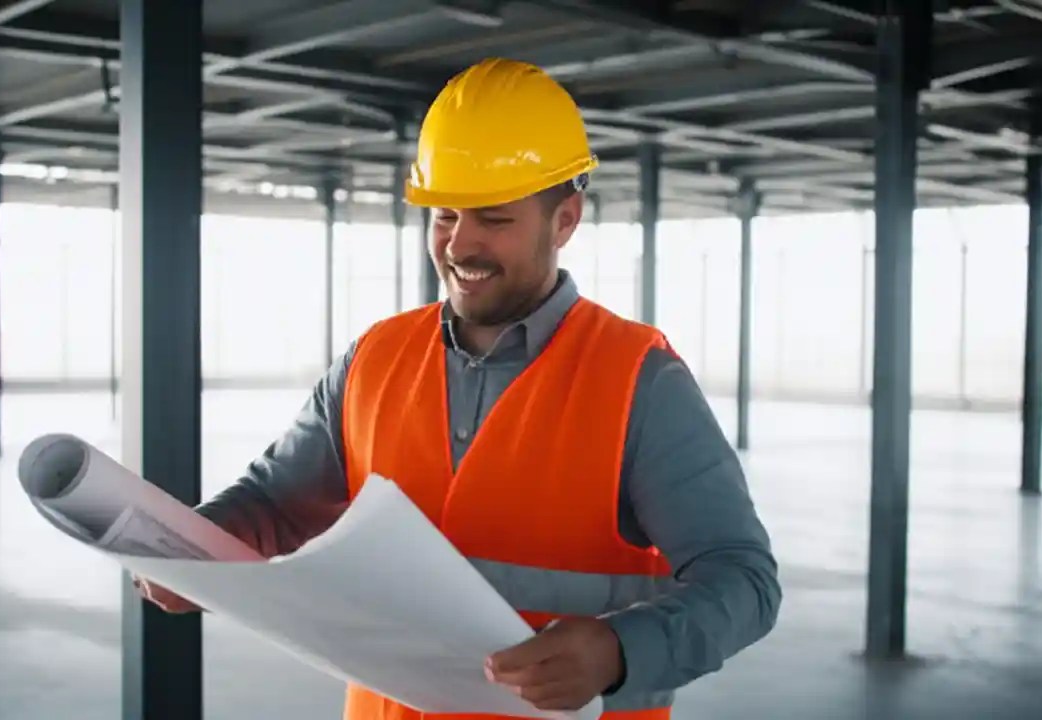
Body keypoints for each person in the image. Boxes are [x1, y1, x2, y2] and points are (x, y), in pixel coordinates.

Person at [136, 57, 780, 719]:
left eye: (493, 219)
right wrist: (196, 550)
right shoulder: (373, 358)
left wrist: (620, 651)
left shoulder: (639, 380)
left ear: (564, 220)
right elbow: (274, 502)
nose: (459, 245)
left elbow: (744, 580)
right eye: (444, 215)